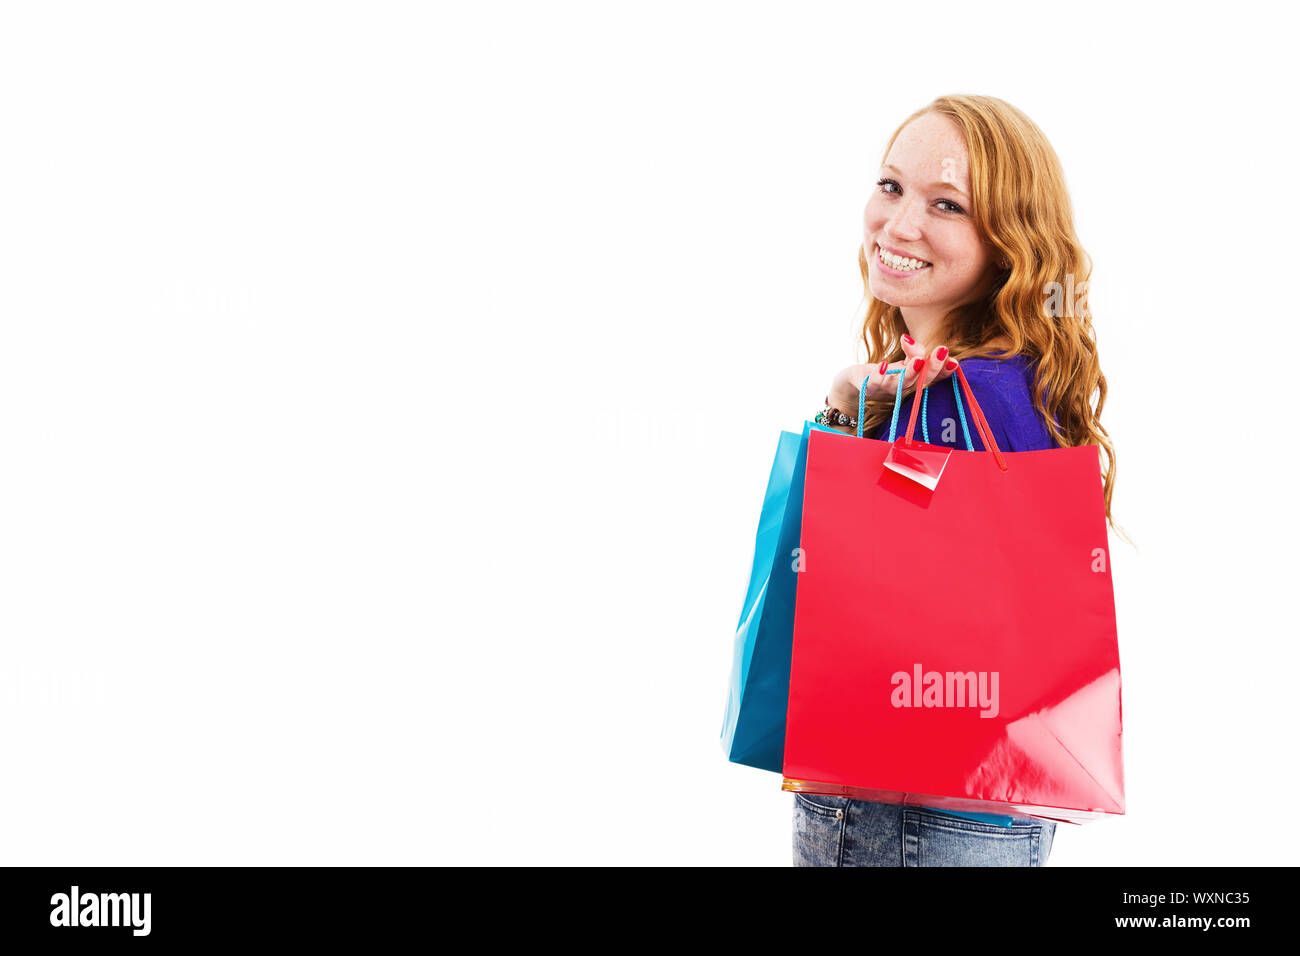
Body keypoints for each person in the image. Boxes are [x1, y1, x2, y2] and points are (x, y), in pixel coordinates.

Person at [797, 94, 1123, 867]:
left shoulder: (979, 393)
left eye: (946, 204)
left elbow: (851, 578)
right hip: (948, 802)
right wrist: (848, 405)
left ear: (1008, 244)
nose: (900, 224)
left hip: (918, 807)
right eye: (891, 187)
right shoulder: (988, 383)